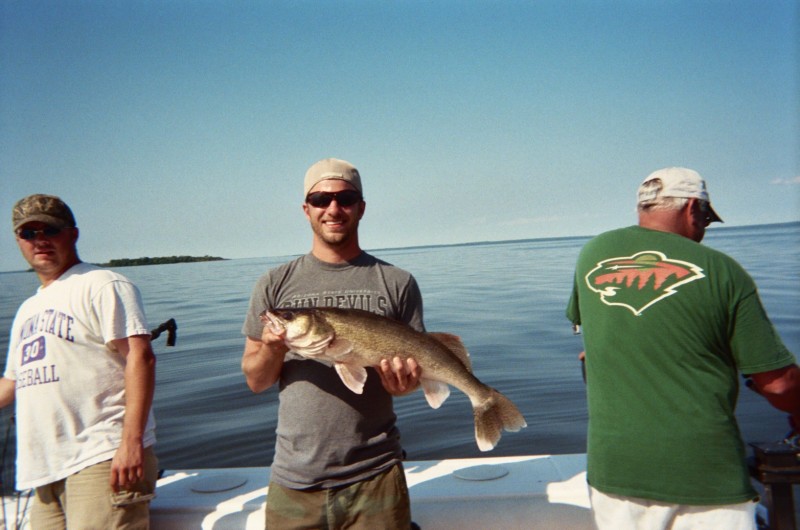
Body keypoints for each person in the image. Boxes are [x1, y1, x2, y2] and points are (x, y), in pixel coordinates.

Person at [566, 167, 800, 529]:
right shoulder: (722, 270)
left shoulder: (592, 253)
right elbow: (780, 384)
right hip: (705, 475)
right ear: (692, 208)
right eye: (706, 217)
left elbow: (593, 336)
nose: (703, 229)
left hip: (615, 472)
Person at [241, 158, 424, 529]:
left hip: (377, 475)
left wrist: (405, 384)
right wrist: (274, 347)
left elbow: (416, 376)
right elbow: (256, 381)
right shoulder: (274, 284)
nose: (333, 209)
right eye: (321, 199)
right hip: (294, 480)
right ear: (306, 209)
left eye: (345, 198)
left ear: (361, 207)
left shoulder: (397, 282)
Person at [0, 194, 159, 529]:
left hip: (102, 457)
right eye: (29, 233)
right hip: (44, 470)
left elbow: (141, 358)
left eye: (50, 230)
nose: (39, 240)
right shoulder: (28, 309)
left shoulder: (101, 284)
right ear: (18, 241)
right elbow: (12, 383)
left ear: (72, 234)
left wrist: (130, 443)